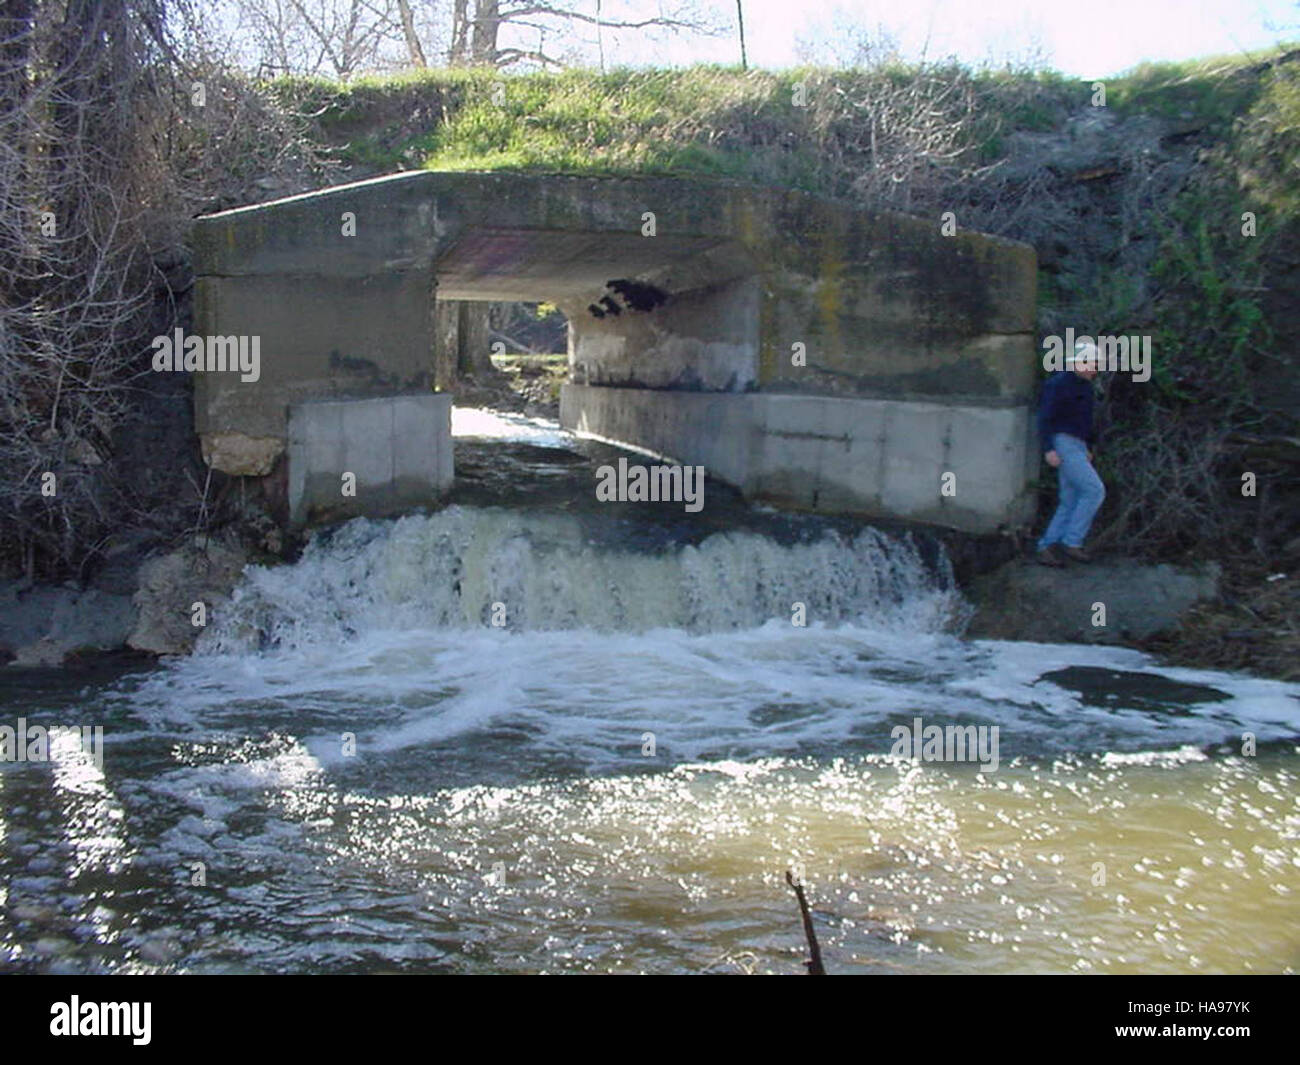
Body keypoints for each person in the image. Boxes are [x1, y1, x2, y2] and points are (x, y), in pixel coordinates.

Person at [1035, 340, 1104, 566]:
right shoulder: (1058, 384)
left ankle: (1047, 545)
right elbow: (1044, 418)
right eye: (1093, 363)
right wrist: (1049, 449)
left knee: (1070, 498)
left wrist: (1088, 447)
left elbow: (1086, 420)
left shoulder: (1085, 386)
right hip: (1063, 443)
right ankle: (1071, 541)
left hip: (1077, 445)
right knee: (1094, 490)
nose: (1096, 369)